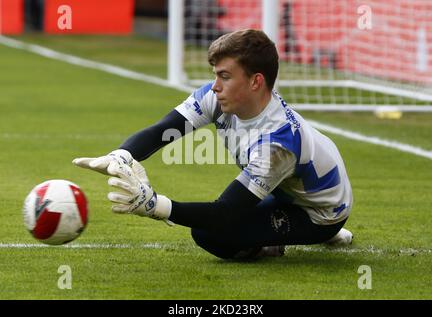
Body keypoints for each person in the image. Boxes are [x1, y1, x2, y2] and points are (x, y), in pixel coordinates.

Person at [73, 29, 353, 260]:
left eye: (225, 76)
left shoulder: (278, 143)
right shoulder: (217, 97)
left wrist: (155, 205)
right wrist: (121, 155)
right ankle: (272, 232)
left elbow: (225, 212)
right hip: (286, 193)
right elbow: (163, 130)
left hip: (320, 212)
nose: (215, 85)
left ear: (256, 82)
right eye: (216, 74)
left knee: (211, 234)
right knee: (213, 225)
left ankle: (306, 236)